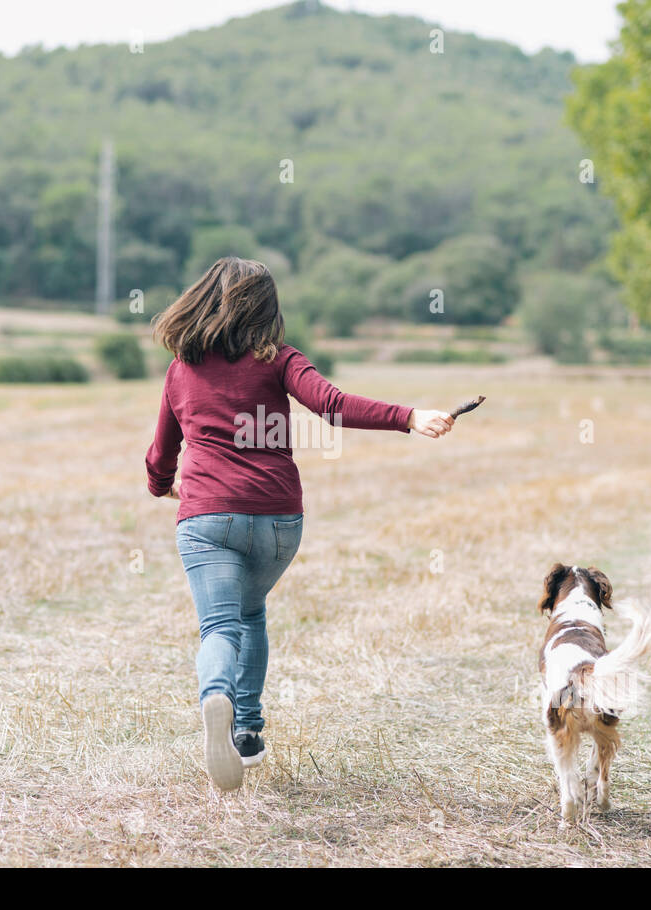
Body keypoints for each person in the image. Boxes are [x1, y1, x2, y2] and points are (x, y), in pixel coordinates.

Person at [146, 257, 454, 791]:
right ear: (265, 307)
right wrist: (409, 416)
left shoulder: (181, 367)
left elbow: (162, 449)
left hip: (207, 518)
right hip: (277, 521)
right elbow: (332, 406)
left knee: (221, 627)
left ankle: (217, 697)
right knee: (252, 612)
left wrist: (160, 484)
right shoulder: (279, 359)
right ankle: (245, 730)